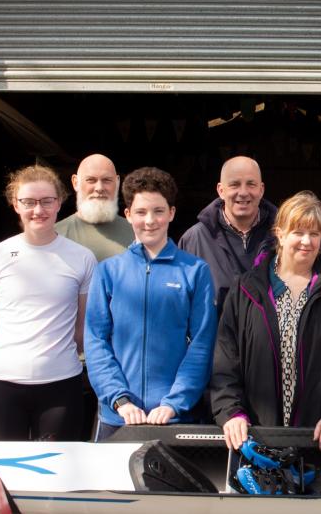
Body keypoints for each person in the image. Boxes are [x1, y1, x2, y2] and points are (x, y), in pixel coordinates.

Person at [210, 191, 321, 455]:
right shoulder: (246, 288)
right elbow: (225, 358)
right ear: (280, 234)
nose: (307, 241)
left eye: (314, 234)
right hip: (256, 437)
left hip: (317, 438)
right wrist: (232, 411)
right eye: (298, 232)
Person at [85, 167, 217, 441]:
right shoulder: (108, 271)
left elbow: (203, 342)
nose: (150, 221)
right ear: (128, 214)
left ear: (171, 213)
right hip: (117, 417)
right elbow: (96, 340)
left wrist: (174, 402)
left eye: (158, 211)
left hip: (175, 418)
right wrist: (120, 399)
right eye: (141, 212)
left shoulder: (194, 271)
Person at [0, 165, 96, 440]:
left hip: (61, 387)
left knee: (58, 476)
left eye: (46, 201)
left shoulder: (82, 258)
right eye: (29, 202)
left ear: (59, 202)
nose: (38, 210)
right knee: (1, 477)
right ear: (16, 205)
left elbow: (82, 329)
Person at [179, 155, 277, 311]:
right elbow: (181, 303)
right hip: (214, 335)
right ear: (221, 190)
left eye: (251, 184)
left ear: (261, 190)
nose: (243, 192)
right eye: (235, 185)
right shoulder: (194, 239)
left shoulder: (282, 236)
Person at [55, 153, 134, 262]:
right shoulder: (55, 235)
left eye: (107, 180)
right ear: (75, 182)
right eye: (91, 180)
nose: (99, 188)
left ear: (117, 182)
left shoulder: (137, 233)